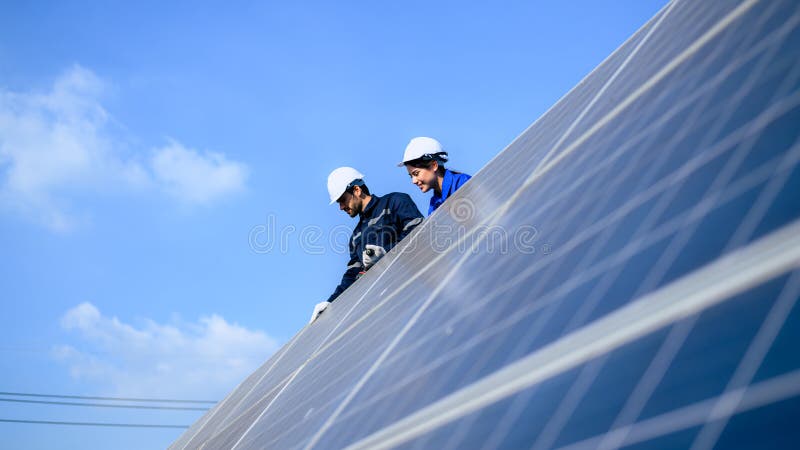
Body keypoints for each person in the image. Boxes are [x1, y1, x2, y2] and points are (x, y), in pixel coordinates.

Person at [309, 167, 424, 323]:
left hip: (416, 289)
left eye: (342, 200)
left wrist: (386, 255)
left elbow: (420, 234)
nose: (341, 207)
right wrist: (331, 302)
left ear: (356, 190)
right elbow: (351, 276)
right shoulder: (356, 237)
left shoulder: (396, 202)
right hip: (385, 308)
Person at [399, 137, 472, 216]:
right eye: (411, 176)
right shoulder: (434, 205)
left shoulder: (463, 183)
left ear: (434, 165)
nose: (414, 181)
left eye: (416, 174)